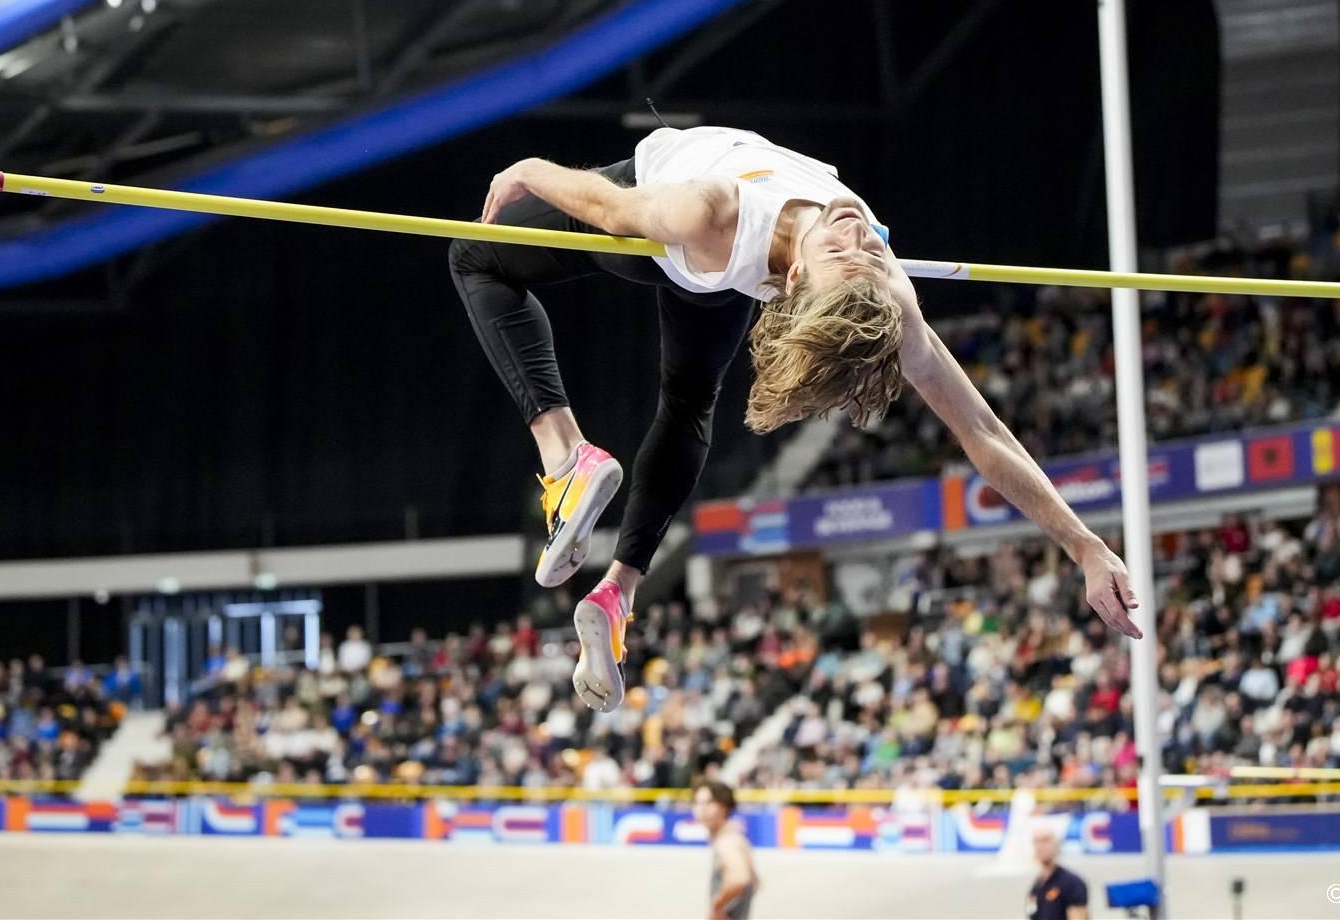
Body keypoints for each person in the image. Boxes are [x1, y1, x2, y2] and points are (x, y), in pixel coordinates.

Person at [452, 125, 1140, 711]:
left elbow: (610, 207)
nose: (860, 238)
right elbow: (981, 432)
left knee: (474, 257)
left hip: (660, 218)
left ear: (795, 284)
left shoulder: (709, 210)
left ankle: (566, 454)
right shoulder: (879, 283)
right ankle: (618, 590)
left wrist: (530, 169)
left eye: (844, 254)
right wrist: (1085, 547)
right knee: (689, 402)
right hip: (712, 266)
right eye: (867, 252)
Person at [692, 779, 756, 920]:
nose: (702, 810)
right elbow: (755, 881)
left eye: (709, 803)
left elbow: (740, 878)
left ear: (724, 806)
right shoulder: (735, 838)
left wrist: (717, 906)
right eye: (697, 803)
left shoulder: (727, 842)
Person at [1027, 823, 1089, 920]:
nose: (1040, 846)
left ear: (1056, 844)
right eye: (1037, 841)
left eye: (1046, 840)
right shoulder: (1037, 887)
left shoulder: (1071, 883)